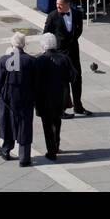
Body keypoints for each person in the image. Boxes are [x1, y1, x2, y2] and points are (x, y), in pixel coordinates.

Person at [0, 31, 37, 166]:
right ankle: (24, 158)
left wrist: (1, 92)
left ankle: (6, 150)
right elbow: (36, 82)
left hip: (8, 98)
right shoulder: (31, 61)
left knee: (8, 124)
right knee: (24, 126)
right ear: (23, 45)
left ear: (11, 45)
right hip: (25, 99)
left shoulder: (4, 60)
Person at [43, 0, 88, 115]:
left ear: (68, 4)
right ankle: (61, 108)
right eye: (57, 4)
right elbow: (46, 34)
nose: (58, 6)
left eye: (60, 4)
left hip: (73, 51)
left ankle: (78, 106)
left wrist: (71, 41)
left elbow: (79, 30)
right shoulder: (52, 16)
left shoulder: (77, 14)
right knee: (62, 82)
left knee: (76, 78)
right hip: (59, 53)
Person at [35, 32, 72, 160]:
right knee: (57, 120)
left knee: (47, 125)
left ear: (43, 46)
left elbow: (35, 81)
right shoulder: (64, 58)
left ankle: (51, 151)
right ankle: (56, 145)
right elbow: (73, 76)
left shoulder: (40, 60)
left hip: (44, 98)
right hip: (60, 96)